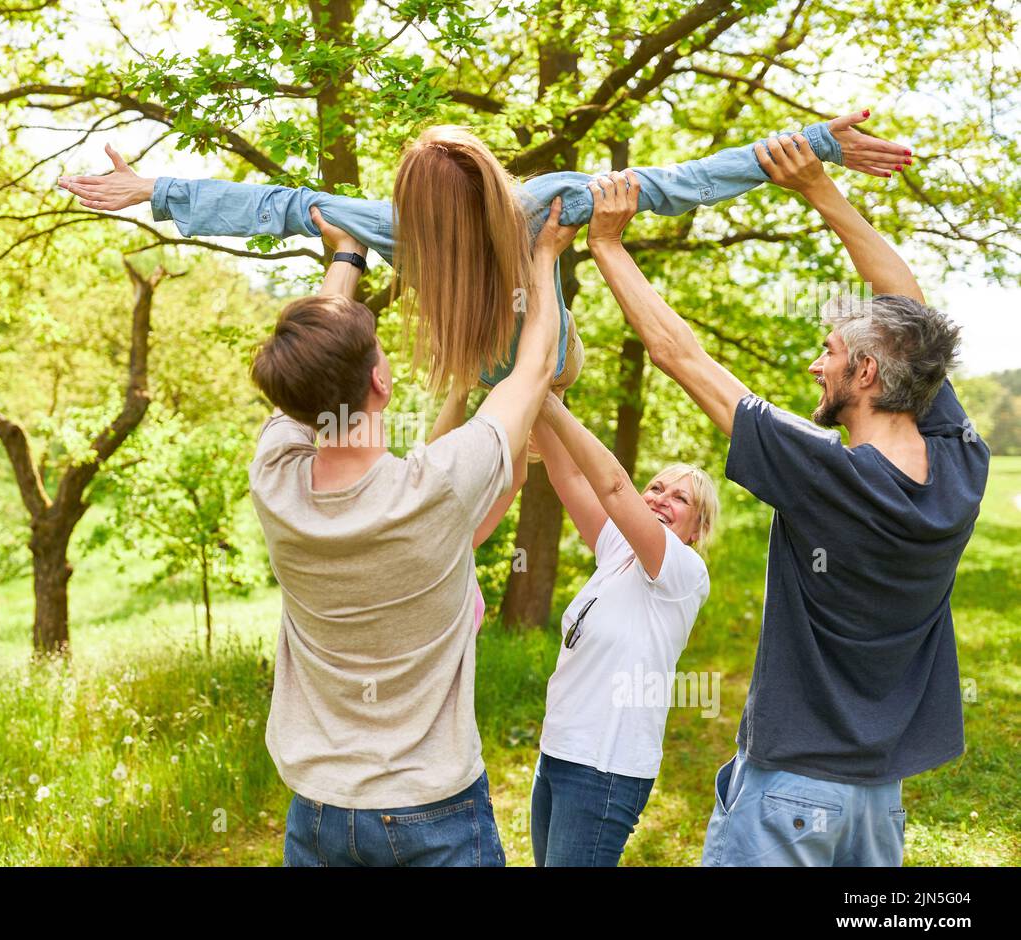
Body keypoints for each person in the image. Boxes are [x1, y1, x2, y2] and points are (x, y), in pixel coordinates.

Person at [581, 137, 989, 866]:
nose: (815, 363)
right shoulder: (960, 463)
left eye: (828, 350)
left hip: (790, 795)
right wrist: (819, 190)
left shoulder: (824, 477)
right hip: (878, 803)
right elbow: (910, 316)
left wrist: (608, 245)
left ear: (865, 371)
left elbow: (683, 358)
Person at [57, 112, 910, 395]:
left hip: (544, 355)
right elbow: (275, 205)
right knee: (485, 427)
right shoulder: (412, 219)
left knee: (533, 398)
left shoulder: (539, 202)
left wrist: (811, 145)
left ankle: (528, 417)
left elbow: (684, 179)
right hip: (478, 357)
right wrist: (156, 193)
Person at [243, 196, 581, 866]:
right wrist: (544, 259)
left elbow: (308, 374)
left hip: (316, 811)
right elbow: (535, 366)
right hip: (431, 813)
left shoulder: (274, 480)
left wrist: (346, 255)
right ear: (381, 380)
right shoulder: (437, 487)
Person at [525, 394, 717, 866]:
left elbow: (613, 487)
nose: (660, 499)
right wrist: (533, 385)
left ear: (696, 528)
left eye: (680, 498)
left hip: (603, 771)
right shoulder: (618, 552)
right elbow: (567, 475)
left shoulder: (681, 570)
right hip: (558, 754)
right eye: (655, 488)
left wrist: (551, 406)